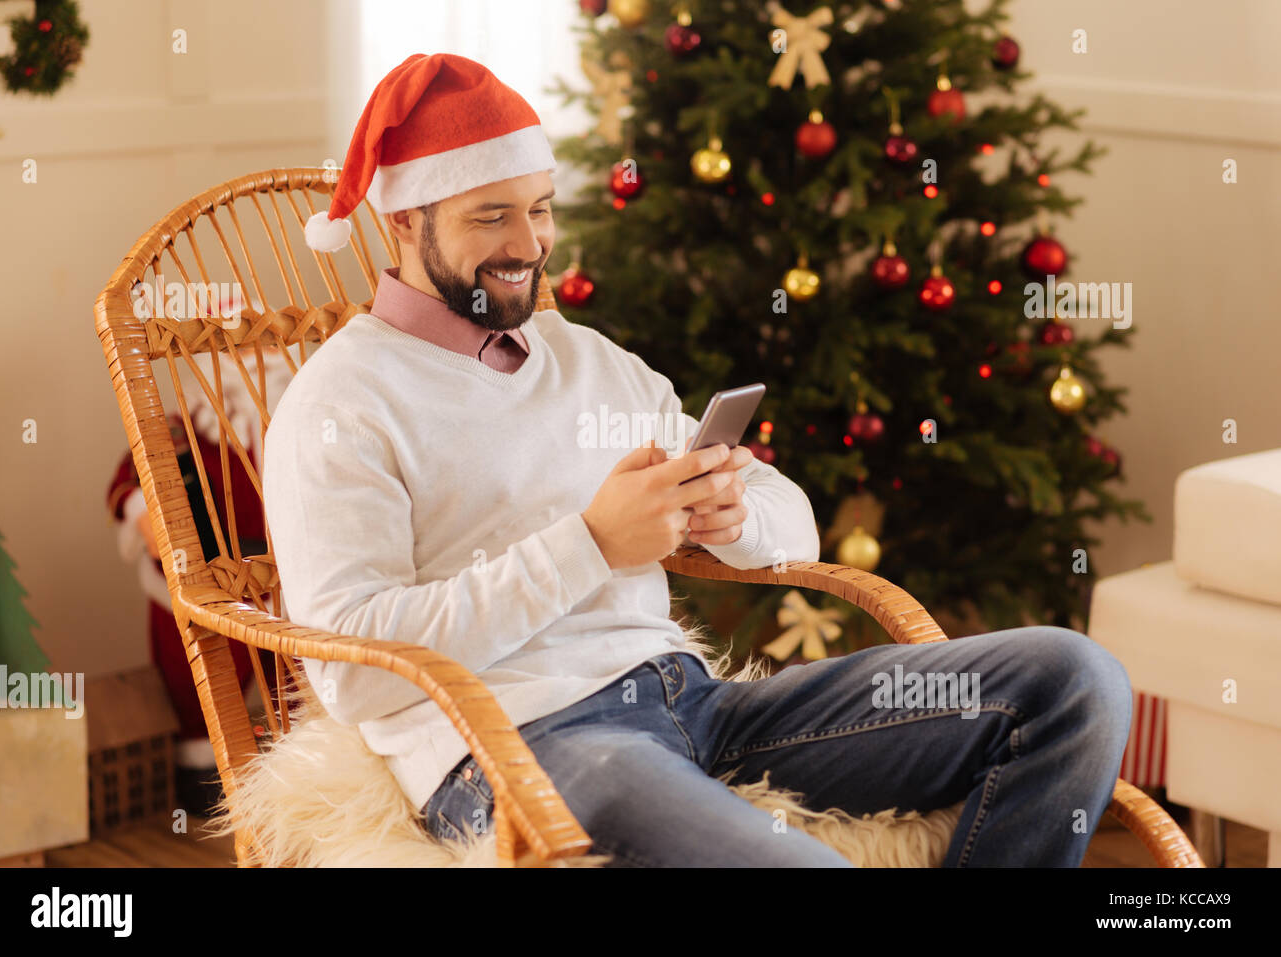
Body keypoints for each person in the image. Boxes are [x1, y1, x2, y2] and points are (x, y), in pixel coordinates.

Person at [262, 52, 1132, 866]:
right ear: (404, 218)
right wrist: (591, 546)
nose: (528, 243)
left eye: (541, 208)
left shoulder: (587, 360)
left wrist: (734, 514)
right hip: (526, 750)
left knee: (1072, 680)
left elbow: (790, 517)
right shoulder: (340, 403)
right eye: (491, 216)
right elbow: (352, 669)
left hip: (697, 707)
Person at [107, 333, 291, 816]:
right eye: (242, 351)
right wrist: (143, 508)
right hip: (211, 577)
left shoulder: (303, 424)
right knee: (201, 672)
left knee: (296, 676)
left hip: (289, 578)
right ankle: (204, 768)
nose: (257, 362)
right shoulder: (181, 435)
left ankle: (304, 762)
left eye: (266, 347)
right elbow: (133, 474)